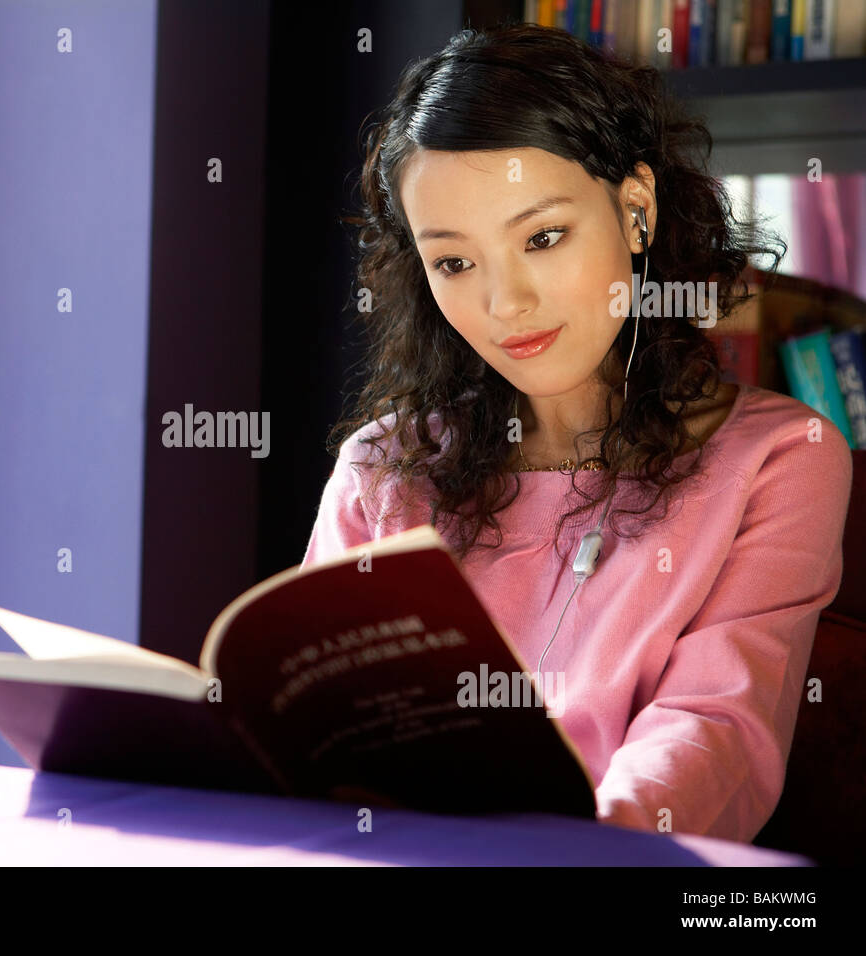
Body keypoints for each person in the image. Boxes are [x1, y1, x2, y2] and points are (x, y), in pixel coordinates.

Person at [300, 23, 853, 844]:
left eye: (543, 237)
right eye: (455, 262)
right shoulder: (382, 470)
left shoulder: (780, 459)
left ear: (636, 208)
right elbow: (312, 723)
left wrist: (574, 845)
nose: (505, 304)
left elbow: (714, 730)